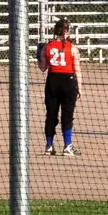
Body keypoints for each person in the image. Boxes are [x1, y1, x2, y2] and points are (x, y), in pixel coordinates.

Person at [38, 18, 82, 156]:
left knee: (51, 115)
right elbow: (77, 70)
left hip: (53, 81)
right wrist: (79, 87)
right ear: (66, 32)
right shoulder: (72, 48)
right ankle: (67, 146)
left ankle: (49, 146)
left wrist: (39, 56)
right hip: (68, 82)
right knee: (67, 115)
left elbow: (43, 68)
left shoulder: (48, 46)